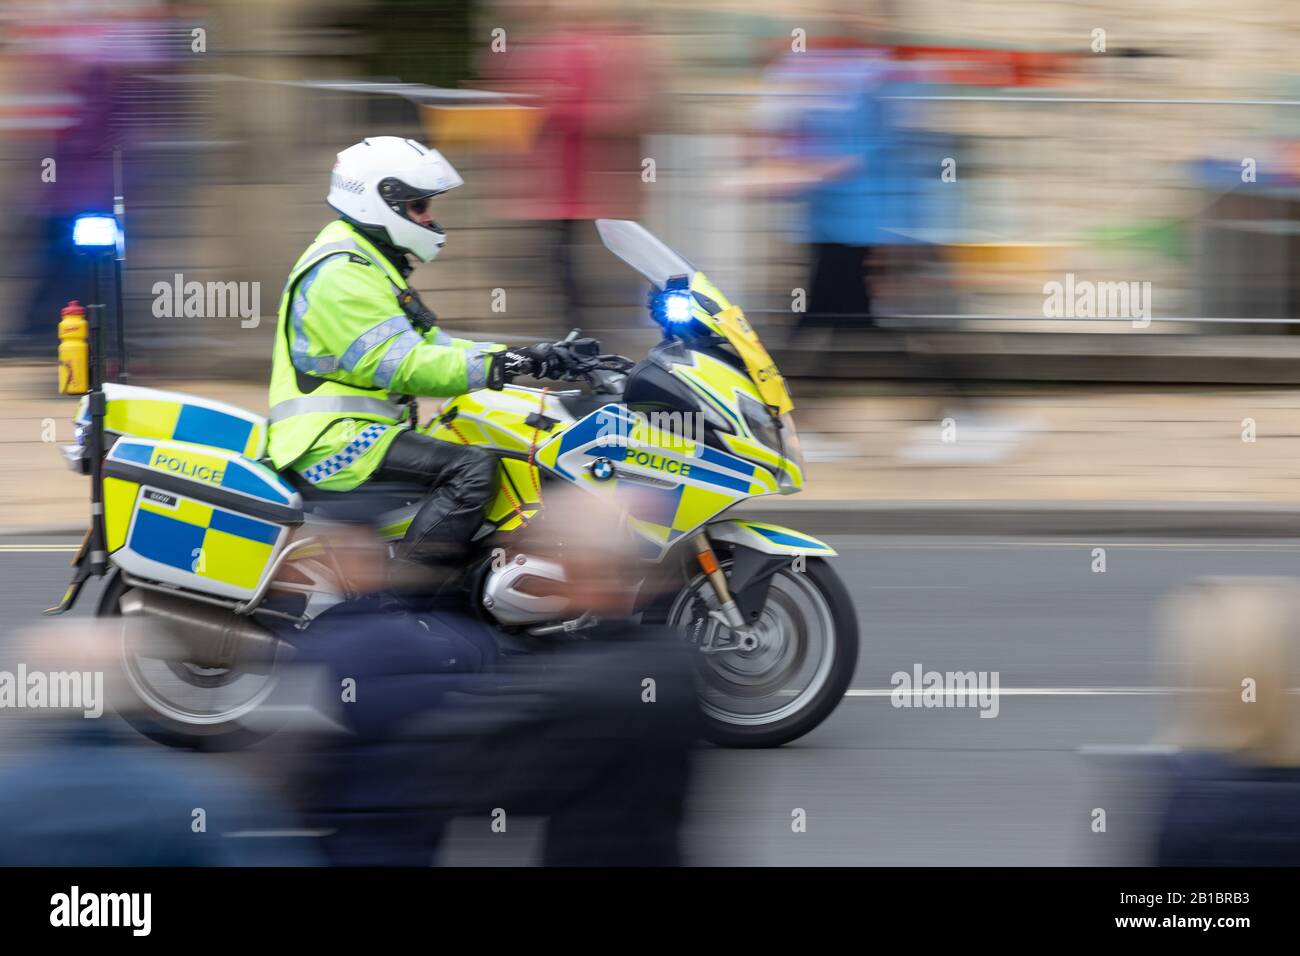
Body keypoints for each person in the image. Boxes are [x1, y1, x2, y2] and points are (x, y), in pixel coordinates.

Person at [267, 136, 558, 569]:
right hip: (331, 443)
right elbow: (404, 366)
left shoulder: (368, 261)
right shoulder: (343, 275)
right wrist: (506, 365)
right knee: (472, 470)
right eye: (420, 205)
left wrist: (533, 355)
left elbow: (434, 347)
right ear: (381, 201)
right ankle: (401, 604)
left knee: (487, 437)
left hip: (360, 434)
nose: (430, 217)